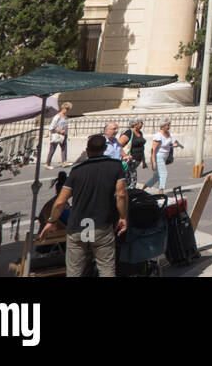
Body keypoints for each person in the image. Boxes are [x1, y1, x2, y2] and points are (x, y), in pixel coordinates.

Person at [41, 134, 127, 277]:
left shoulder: (77, 171)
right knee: (106, 269)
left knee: (75, 271)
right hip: (102, 224)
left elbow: (61, 201)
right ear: (105, 149)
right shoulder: (116, 167)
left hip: (78, 226)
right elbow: (121, 195)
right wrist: (123, 217)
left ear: (87, 150)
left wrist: (52, 221)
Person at [148, 122, 182, 192]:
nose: (169, 126)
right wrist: (153, 162)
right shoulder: (158, 136)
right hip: (158, 157)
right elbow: (153, 149)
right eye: (168, 125)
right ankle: (161, 192)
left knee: (156, 176)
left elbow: (167, 145)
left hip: (165, 156)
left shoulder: (168, 133)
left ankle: (143, 188)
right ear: (162, 126)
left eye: (169, 124)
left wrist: (174, 145)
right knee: (163, 174)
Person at [118, 119, 146, 187]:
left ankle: (129, 193)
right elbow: (118, 145)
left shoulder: (140, 133)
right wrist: (125, 156)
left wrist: (144, 161)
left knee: (131, 179)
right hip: (129, 161)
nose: (142, 124)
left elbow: (141, 147)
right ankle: (128, 194)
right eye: (141, 122)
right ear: (135, 124)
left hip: (136, 161)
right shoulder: (129, 132)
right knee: (131, 179)